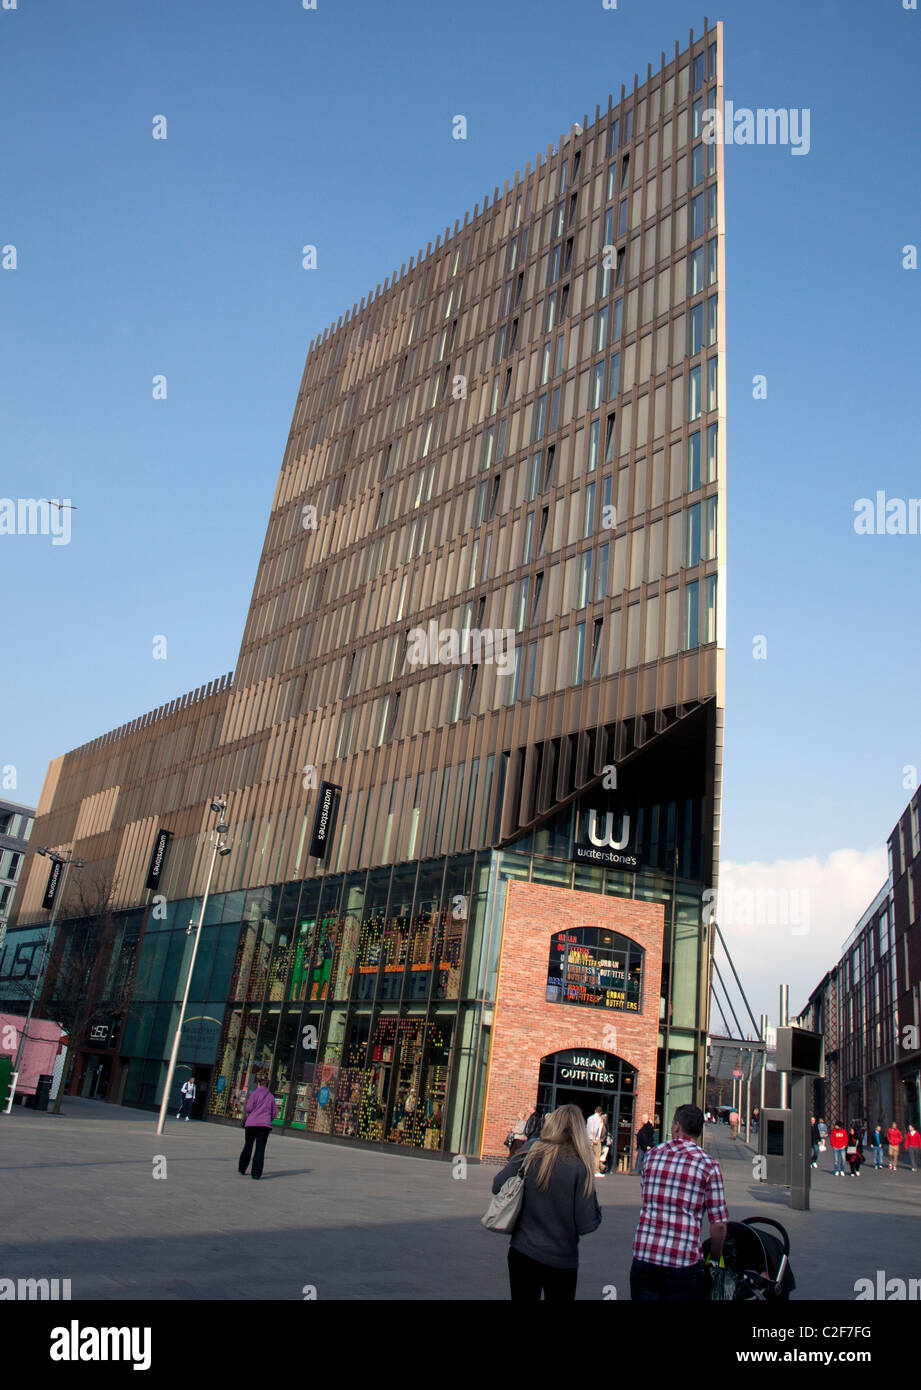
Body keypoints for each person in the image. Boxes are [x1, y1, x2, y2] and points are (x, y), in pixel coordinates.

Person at [491, 1103, 602, 1301]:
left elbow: (498, 1185)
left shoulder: (532, 1150)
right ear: (578, 1130)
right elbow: (586, 1224)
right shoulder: (579, 1166)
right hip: (562, 1260)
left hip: (523, 1251)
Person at [630, 1103, 728, 1301]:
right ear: (699, 1132)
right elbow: (719, 1226)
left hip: (645, 1256)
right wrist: (715, 1256)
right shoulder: (708, 1165)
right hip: (684, 1263)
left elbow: (646, 1194)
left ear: (676, 1127)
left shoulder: (652, 1156)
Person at [238, 1068, 278, 1180]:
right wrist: (267, 1118)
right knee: (260, 1149)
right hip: (264, 1125)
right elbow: (274, 1113)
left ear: (258, 1082)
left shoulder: (254, 1094)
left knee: (248, 1145)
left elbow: (249, 1108)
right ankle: (256, 1173)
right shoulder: (271, 1097)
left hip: (251, 1124)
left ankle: (242, 1168)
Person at [586, 1105, 606, 1175]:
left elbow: (587, 1128)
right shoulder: (598, 1119)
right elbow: (596, 1129)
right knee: (597, 1155)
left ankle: (589, 1169)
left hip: (588, 1138)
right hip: (595, 1139)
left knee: (590, 1155)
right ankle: (596, 1171)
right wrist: (594, 1139)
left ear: (595, 1110)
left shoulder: (589, 1118)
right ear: (600, 1112)